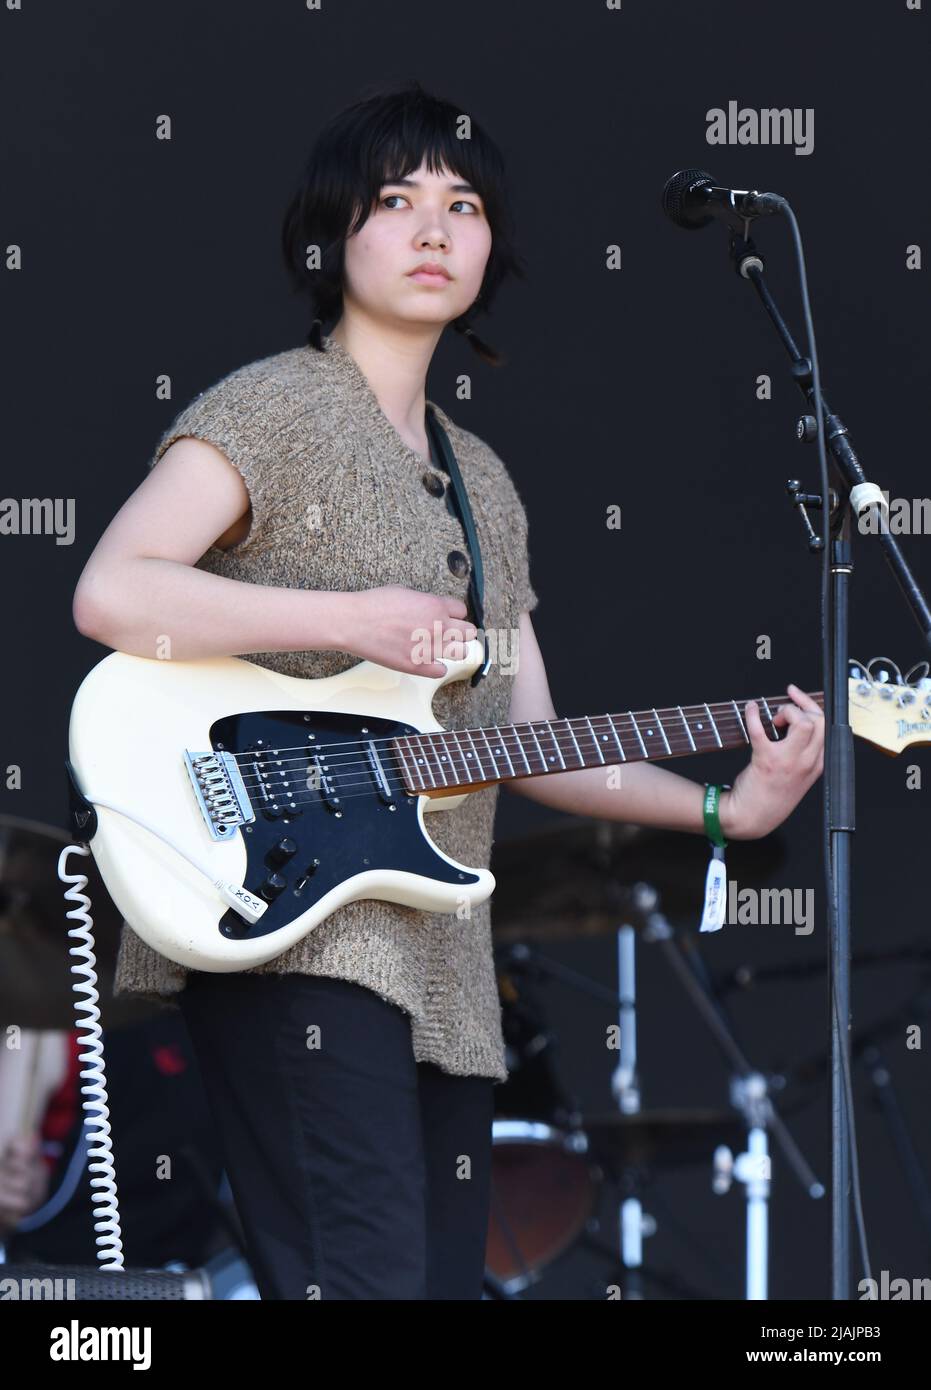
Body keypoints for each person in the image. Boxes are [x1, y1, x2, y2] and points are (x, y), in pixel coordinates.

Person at [70, 80, 824, 1300]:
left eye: (463, 204)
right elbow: (112, 592)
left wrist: (722, 811)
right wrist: (351, 621)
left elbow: (526, 743)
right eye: (395, 199)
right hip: (289, 930)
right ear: (334, 234)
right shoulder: (273, 408)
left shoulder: (484, 480)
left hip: (445, 972)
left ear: (491, 245)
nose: (433, 229)